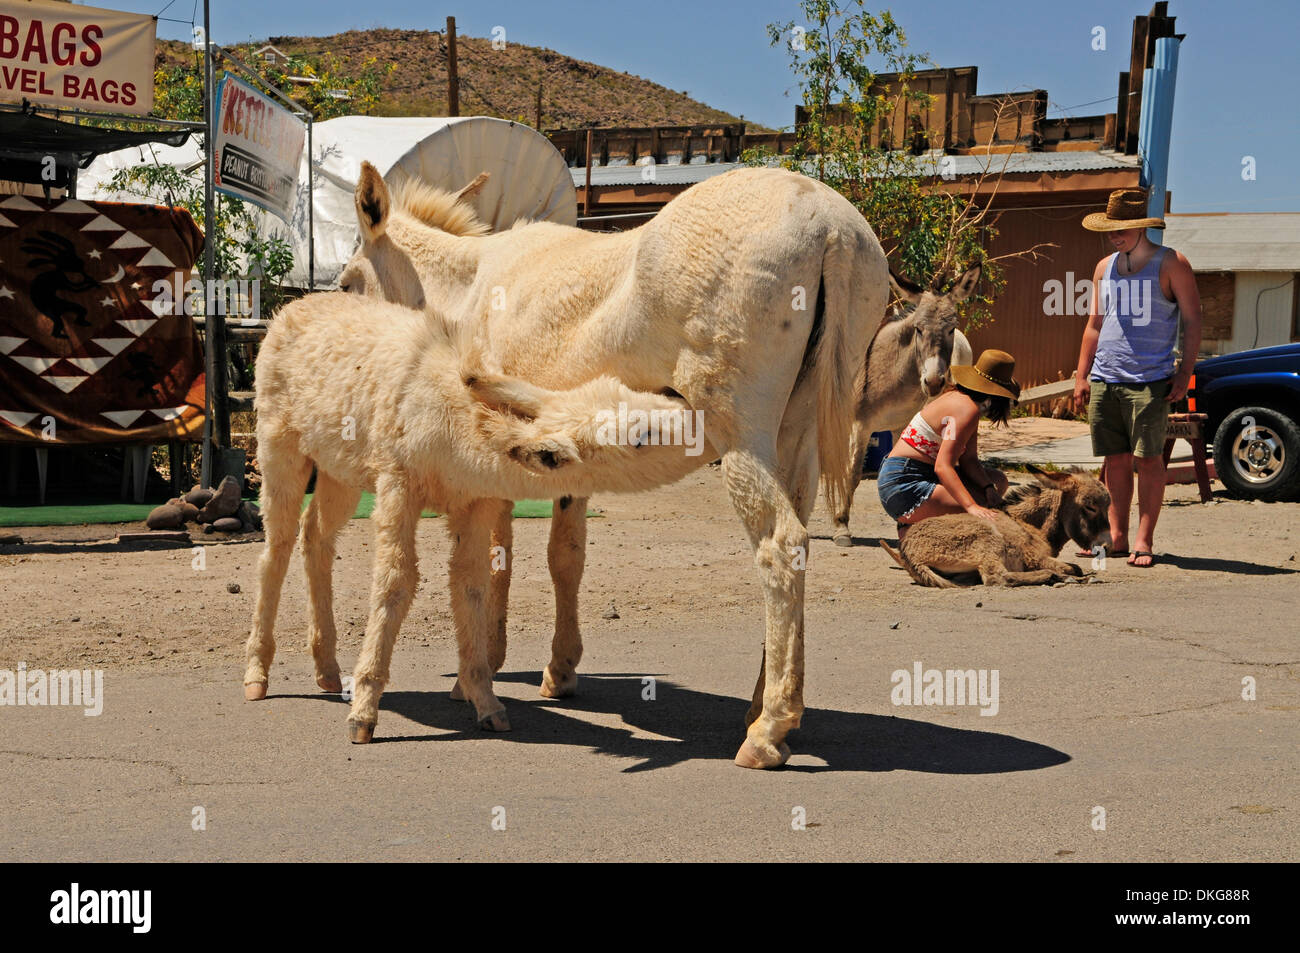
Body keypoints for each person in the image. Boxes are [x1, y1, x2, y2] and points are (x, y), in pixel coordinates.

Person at [1073, 188, 1203, 568]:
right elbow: (1094, 324)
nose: (1115, 237)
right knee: (1114, 461)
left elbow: (1193, 321)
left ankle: (1143, 541)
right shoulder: (1103, 267)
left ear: (1141, 227)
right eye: (1111, 230)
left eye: (1122, 230)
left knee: (1148, 460)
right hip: (1105, 378)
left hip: (1150, 380)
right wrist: (1082, 375)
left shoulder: (1172, 263)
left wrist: (1184, 372)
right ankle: (1117, 537)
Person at [877, 348, 1019, 540]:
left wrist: (988, 487)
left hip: (907, 474)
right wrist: (971, 507)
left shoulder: (963, 402)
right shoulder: (966, 410)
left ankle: (918, 527)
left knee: (997, 481)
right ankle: (911, 529)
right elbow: (943, 466)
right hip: (903, 484)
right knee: (980, 509)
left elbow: (969, 460)